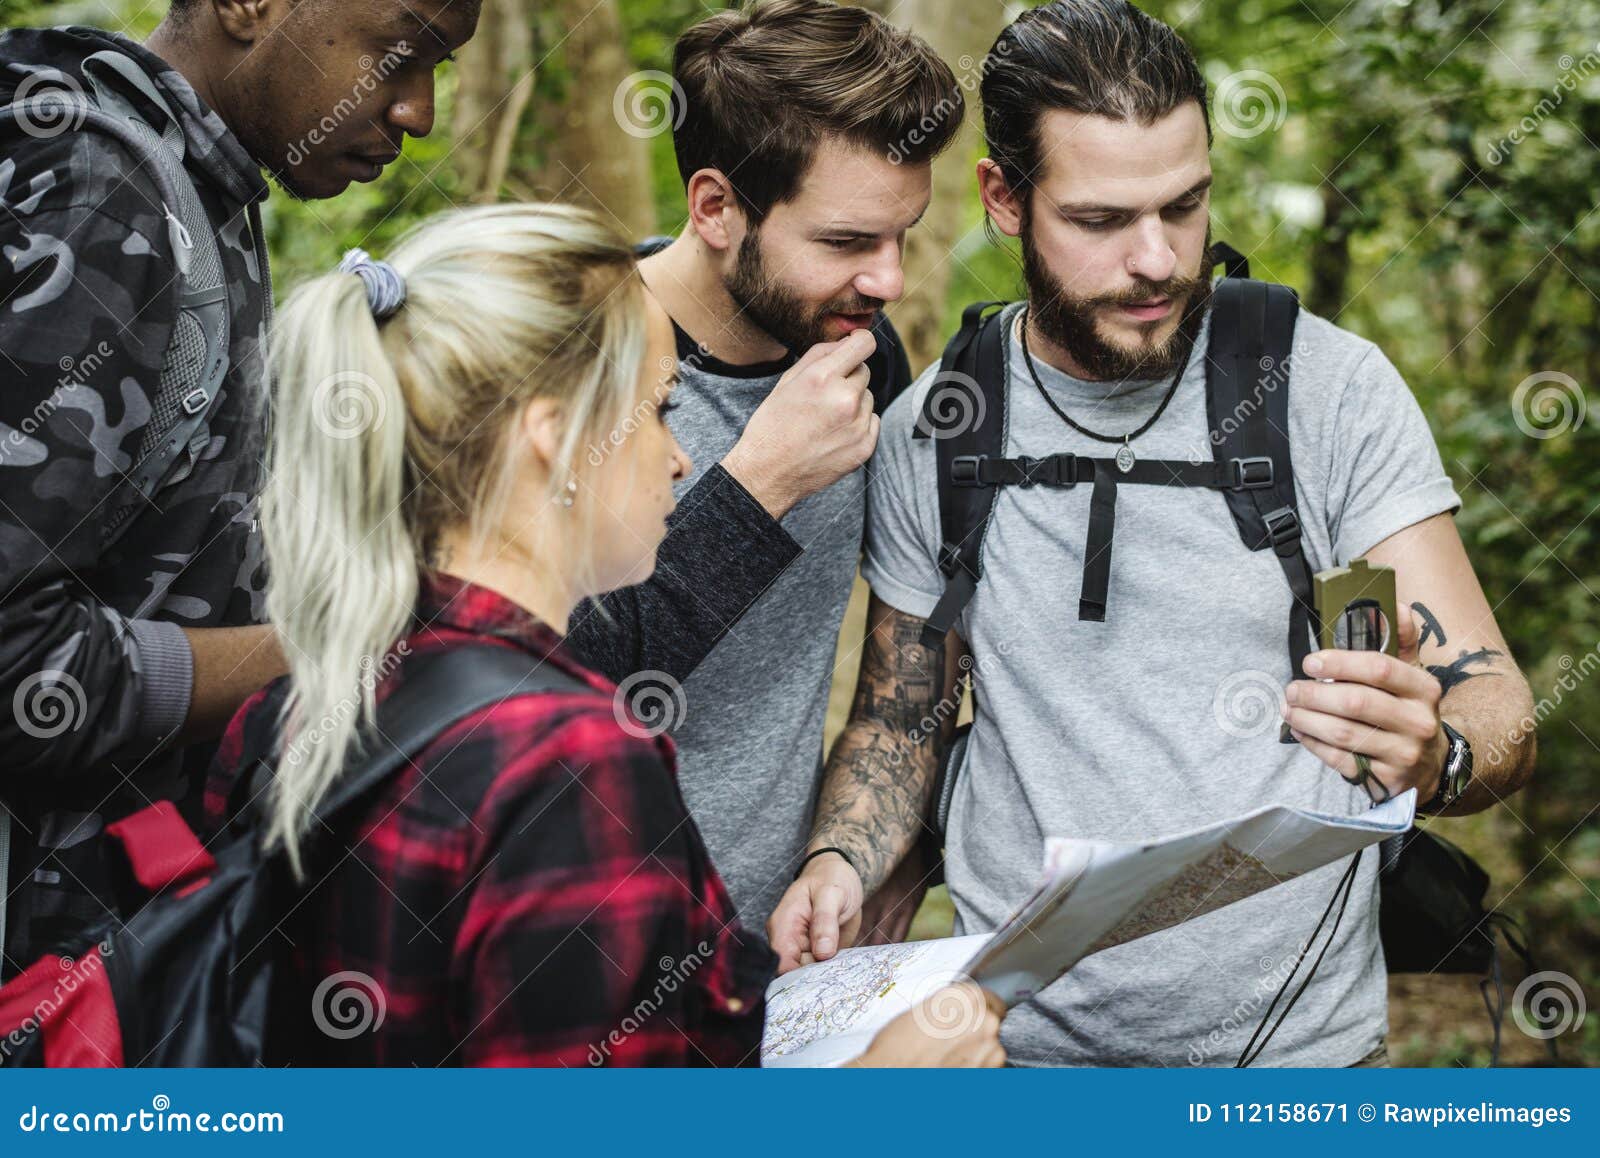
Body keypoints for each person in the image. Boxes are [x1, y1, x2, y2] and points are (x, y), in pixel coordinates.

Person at [768, 0, 1537, 1067]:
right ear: (1003, 198)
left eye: (1185, 206)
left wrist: (1436, 754)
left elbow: (1498, 706)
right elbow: (901, 718)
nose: (1157, 259)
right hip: (1007, 1058)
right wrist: (840, 863)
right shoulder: (936, 430)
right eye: (1100, 220)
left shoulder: (1327, 390)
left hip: (1299, 1064)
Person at [202, 203, 1005, 1067]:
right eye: (657, 410)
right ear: (553, 439)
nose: (679, 457)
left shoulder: (293, 707)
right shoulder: (574, 764)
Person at [0, 0, 479, 977]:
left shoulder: (191, 179)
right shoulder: (110, 198)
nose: (420, 111)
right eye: (400, 51)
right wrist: (343, 653)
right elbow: (14, 660)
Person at [596, 0, 964, 933]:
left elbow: (912, 668)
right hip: (559, 955)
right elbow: (514, 682)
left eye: (903, 235)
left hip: (769, 960)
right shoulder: (569, 358)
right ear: (715, 206)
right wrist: (758, 489)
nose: (890, 282)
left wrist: (863, 850)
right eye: (846, 243)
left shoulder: (862, 356)